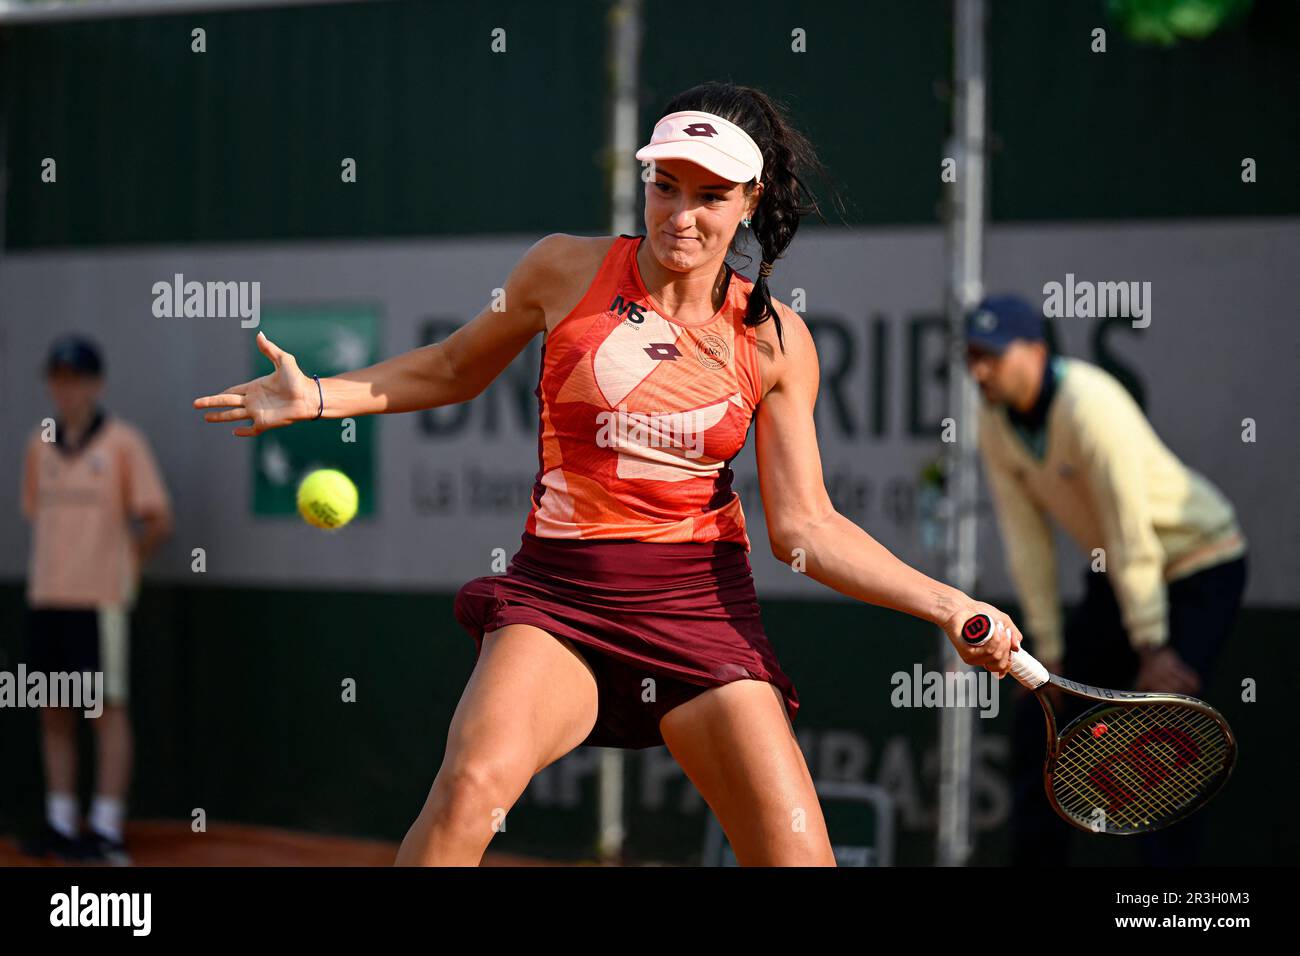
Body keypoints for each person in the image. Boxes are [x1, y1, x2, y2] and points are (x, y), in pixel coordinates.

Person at [195, 82, 1024, 867]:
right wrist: (318, 396)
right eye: (666, 187)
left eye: (710, 196)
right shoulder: (562, 269)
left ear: (750, 202)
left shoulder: (776, 341)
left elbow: (805, 528)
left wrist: (949, 605)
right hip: (561, 599)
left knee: (799, 856)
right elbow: (453, 368)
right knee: (469, 791)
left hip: (698, 611)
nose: (681, 216)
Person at [965, 295, 1248, 866]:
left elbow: (1128, 529)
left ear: (1036, 352)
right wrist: (1047, 655)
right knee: (1039, 727)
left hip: (1199, 563)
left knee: (1163, 742)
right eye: (973, 357)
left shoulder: (1090, 405)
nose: (980, 372)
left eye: (993, 356)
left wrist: (1152, 646)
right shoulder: (993, 424)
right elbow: (1028, 544)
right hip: (1120, 576)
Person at [20, 335, 174, 864]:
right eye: (58, 379)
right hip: (48, 597)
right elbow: (36, 514)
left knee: (105, 710)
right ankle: (61, 822)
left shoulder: (124, 443)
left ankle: (106, 828)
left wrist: (128, 565)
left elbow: (158, 518)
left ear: (97, 384)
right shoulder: (38, 444)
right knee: (53, 711)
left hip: (100, 600)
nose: (67, 389)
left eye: (77, 379)